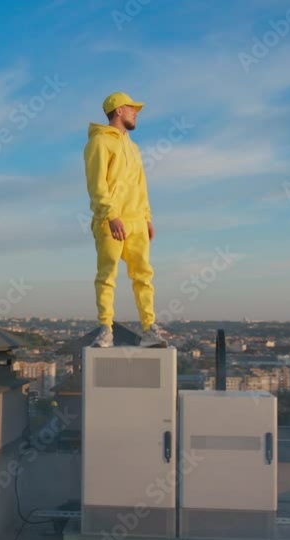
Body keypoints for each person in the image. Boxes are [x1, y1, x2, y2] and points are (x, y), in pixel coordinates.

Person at [83, 91, 167, 348]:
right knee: (107, 276)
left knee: (144, 276)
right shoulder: (99, 142)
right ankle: (106, 330)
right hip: (112, 221)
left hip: (137, 221)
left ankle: (149, 330)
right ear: (118, 110)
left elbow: (141, 185)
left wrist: (147, 218)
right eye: (132, 109)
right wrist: (110, 216)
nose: (136, 113)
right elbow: (97, 185)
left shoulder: (133, 147)